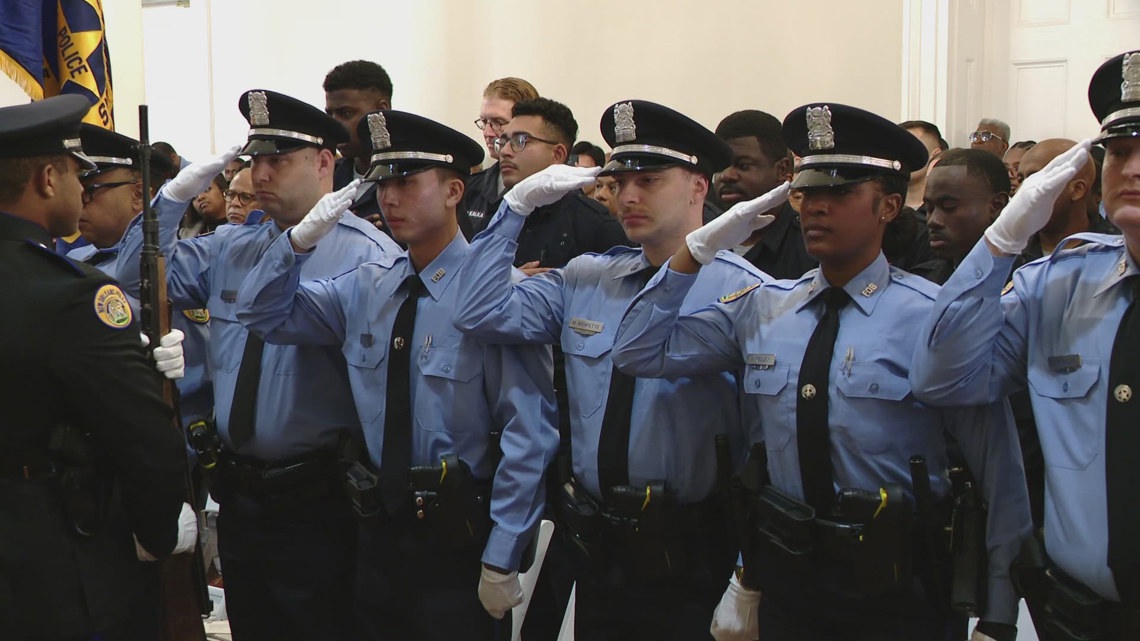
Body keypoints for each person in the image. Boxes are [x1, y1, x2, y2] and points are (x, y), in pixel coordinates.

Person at [610, 102, 1031, 641]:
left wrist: (997, 614)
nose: (815, 209)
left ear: (889, 206)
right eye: (808, 194)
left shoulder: (931, 316)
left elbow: (997, 469)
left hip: (899, 588)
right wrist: (694, 253)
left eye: (840, 193)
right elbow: (638, 353)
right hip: (790, 581)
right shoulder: (763, 307)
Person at [236, 108, 557, 640]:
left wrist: (504, 554)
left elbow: (529, 432)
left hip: (461, 535)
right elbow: (262, 314)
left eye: (407, 183)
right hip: (377, 532)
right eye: (383, 184)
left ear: (455, 190)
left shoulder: (497, 296)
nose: (389, 199)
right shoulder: (367, 286)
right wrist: (295, 245)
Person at [454, 100, 765, 640]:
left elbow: (765, 441)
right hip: (596, 542)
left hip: (692, 546)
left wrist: (748, 571)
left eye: (649, 180)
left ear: (698, 186)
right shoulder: (588, 277)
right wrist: (516, 208)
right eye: (620, 181)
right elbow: (478, 311)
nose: (629, 196)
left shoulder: (742, 291)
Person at [120, 89, 402, 641]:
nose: (263, 173)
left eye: (280, 160)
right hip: (238, 489)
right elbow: (135, 275)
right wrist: (174, 196)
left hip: (319, 496)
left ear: (325, 163)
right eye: (256, 161)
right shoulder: (234, 245)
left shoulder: (369, 256)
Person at [909, 51, 1140, 639]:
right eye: (1120, 151)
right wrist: (1001, 239)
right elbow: (944, 379)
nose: (1133, 169)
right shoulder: (1058, 284)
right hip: (1081, 614)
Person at [0, 95, 193, 641]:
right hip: (53, 554)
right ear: (45, 179)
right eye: (73, 173)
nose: (83, 189)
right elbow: (143, 437)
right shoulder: (74, 296)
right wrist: (158, 531)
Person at [715, 109, 816, 279]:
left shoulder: (811, 249)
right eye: (721, 165)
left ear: (781, 170)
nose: (726, 175)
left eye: (743, 166)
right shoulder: (700, 240)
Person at [910, 148, 1011, 285]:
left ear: (996, 205)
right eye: (929, 208)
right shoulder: (921, 283)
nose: (933, 221)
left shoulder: (1027, 284)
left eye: (949, 206)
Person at [1012, 138, 1113, 269]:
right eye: (1021, 180)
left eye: (1035, 179)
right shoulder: (1010, 251)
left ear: (1077, 190)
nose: (1022, 190)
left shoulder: (1115, 254)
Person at [324, 59, 394, 234]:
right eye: (330, 114)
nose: (334, 125)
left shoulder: (411, 182)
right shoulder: (325, 179)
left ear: (381, 110)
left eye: (347, 113)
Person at [462, 77, 539, 235]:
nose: (487, 132)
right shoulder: (469, 188)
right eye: (484, 121)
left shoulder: (552, 194)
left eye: (498, 122)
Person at [899, 119, 946, 214]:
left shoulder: (944, 211)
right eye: (898, 148)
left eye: (910, 148)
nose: (901, 156)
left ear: (935, 155)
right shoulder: (884, 207)